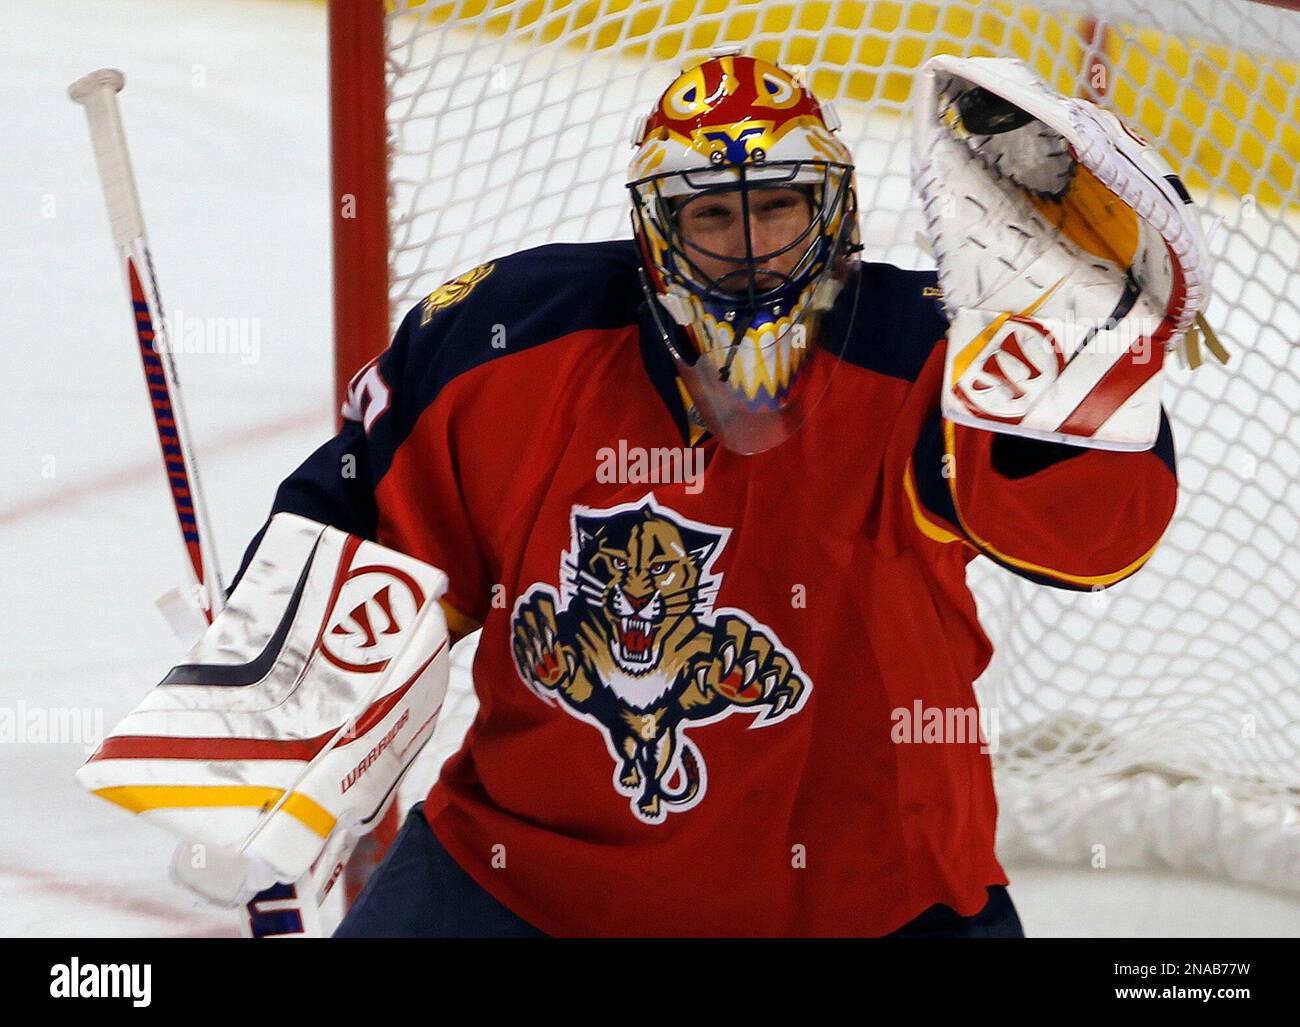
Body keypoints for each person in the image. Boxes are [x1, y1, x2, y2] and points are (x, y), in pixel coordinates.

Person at [239, 53, 1178, 937]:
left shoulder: (928, 355)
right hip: (518, 878)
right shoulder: (509, 338)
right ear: (656, 229)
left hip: (868, 901)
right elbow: (361, 530)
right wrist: (275, 698)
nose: (752, 248)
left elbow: (1094, 542)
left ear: (834, 211)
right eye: (712, 217)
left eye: (778, 207)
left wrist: (1076, 368)